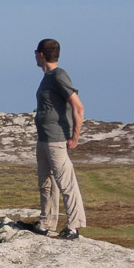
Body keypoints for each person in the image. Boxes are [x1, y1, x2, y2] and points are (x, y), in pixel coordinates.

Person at [30, 38, 86, 239]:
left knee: (66, 183)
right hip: (43, 139)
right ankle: (46, 223)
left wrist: (74, 137)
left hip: (56, 139)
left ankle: (74, 226)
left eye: (36, 52)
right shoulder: (48, 77)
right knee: (46, 182)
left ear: (42, 54)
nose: (35, 56)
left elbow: (78, 107)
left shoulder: (59, 75)